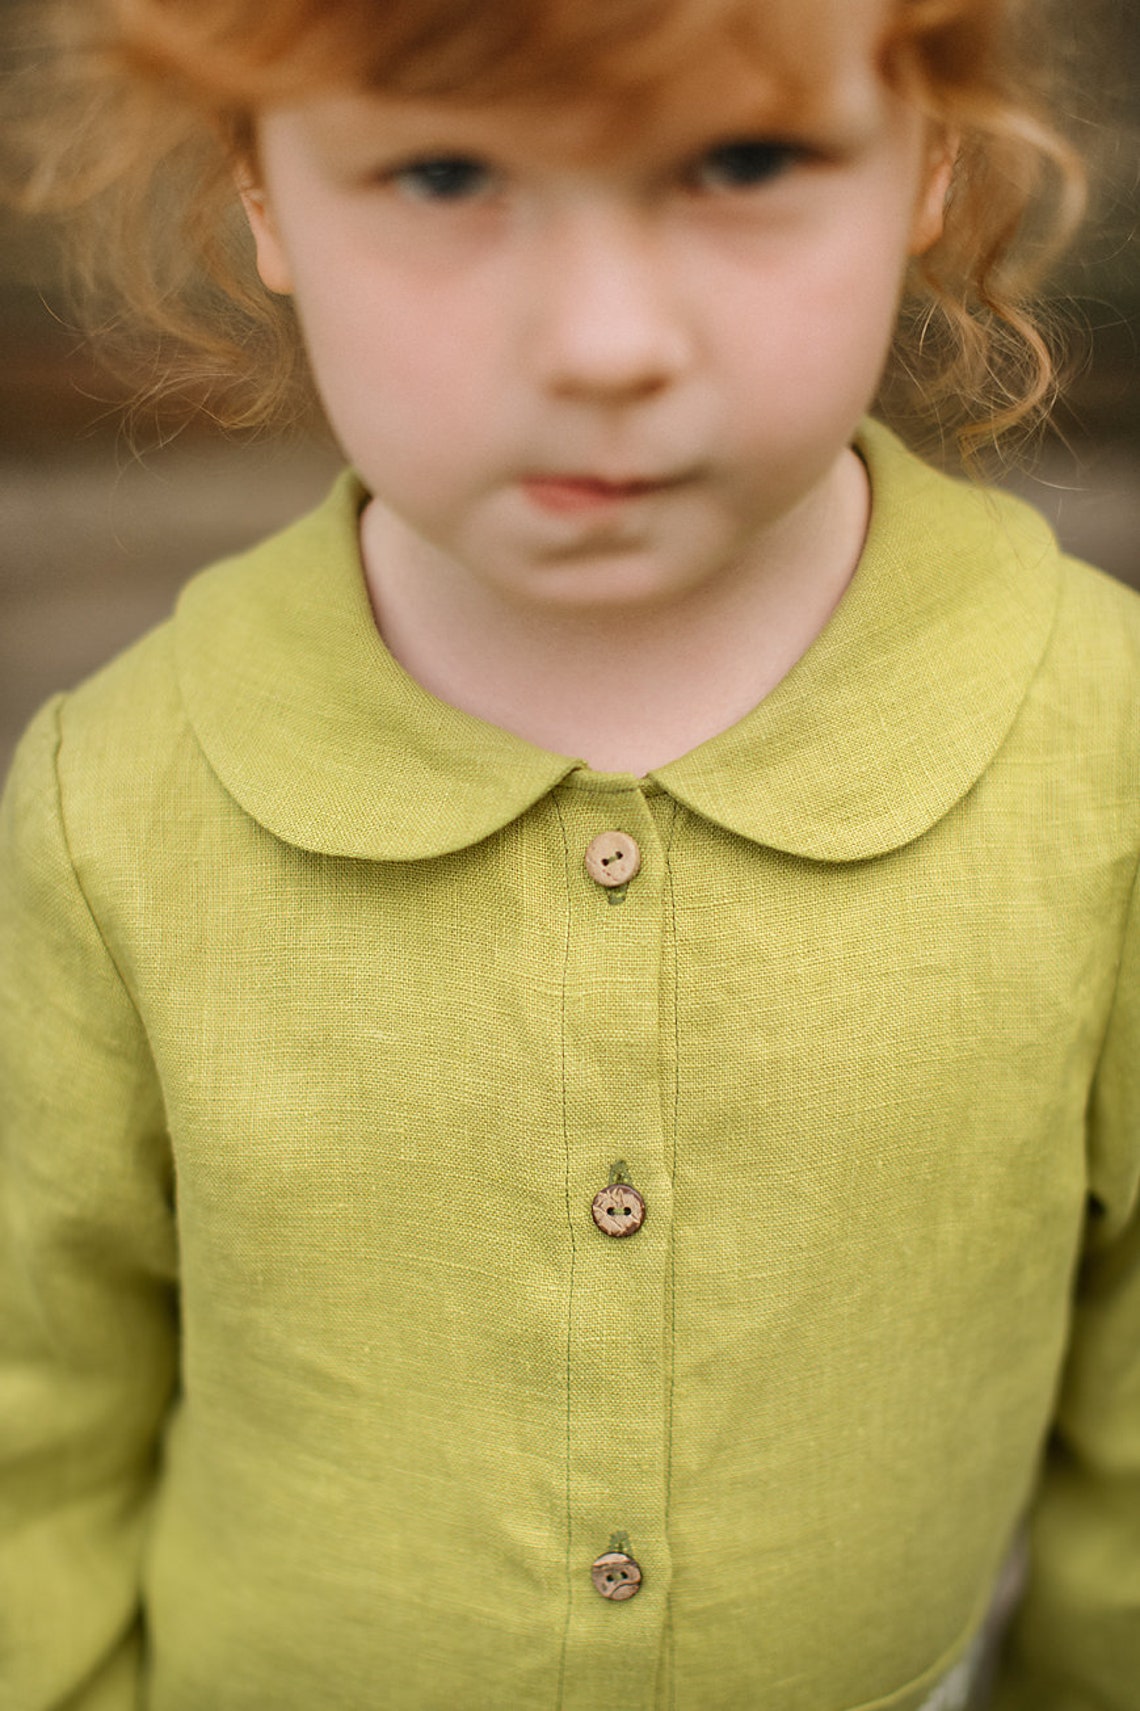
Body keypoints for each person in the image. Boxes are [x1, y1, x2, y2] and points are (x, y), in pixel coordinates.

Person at [1, 0, 1137, 1706]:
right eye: (447, 171)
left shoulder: (1102, 744)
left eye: (743, 159)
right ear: (262, 191)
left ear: (938, 151)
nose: (605, 342)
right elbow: (35, 1435)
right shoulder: (117, 796)